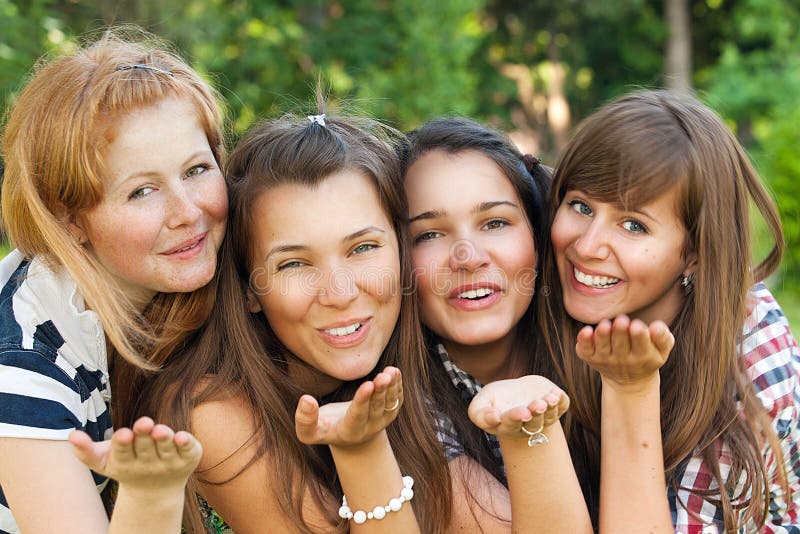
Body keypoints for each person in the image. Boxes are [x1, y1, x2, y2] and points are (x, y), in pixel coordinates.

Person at [139, 108, 452, 533]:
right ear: (249, 288)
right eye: (293, 264)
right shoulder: (207, 411)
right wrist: (360, 447)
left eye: (362, 248)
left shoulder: (419, 373)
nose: (340, 293)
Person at [536, 89, 800, 532]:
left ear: (694, 254)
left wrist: (630, 387)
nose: (585, 246)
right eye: (581, 206)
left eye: (633, 224)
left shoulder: (747, 360)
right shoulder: (542, 296)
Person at [0, 30, 227, 533]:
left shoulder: (177, 268)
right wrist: (153, 493)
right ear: (70, 221)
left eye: (196, 169)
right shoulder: (25, 368)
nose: (188, 212)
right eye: (142, 191)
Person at [400, 117, 591, 532]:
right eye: (428, 234)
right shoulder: (401, 407)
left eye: (495, 223)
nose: (467, 256)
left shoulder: (608, 349)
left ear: (539, 233)